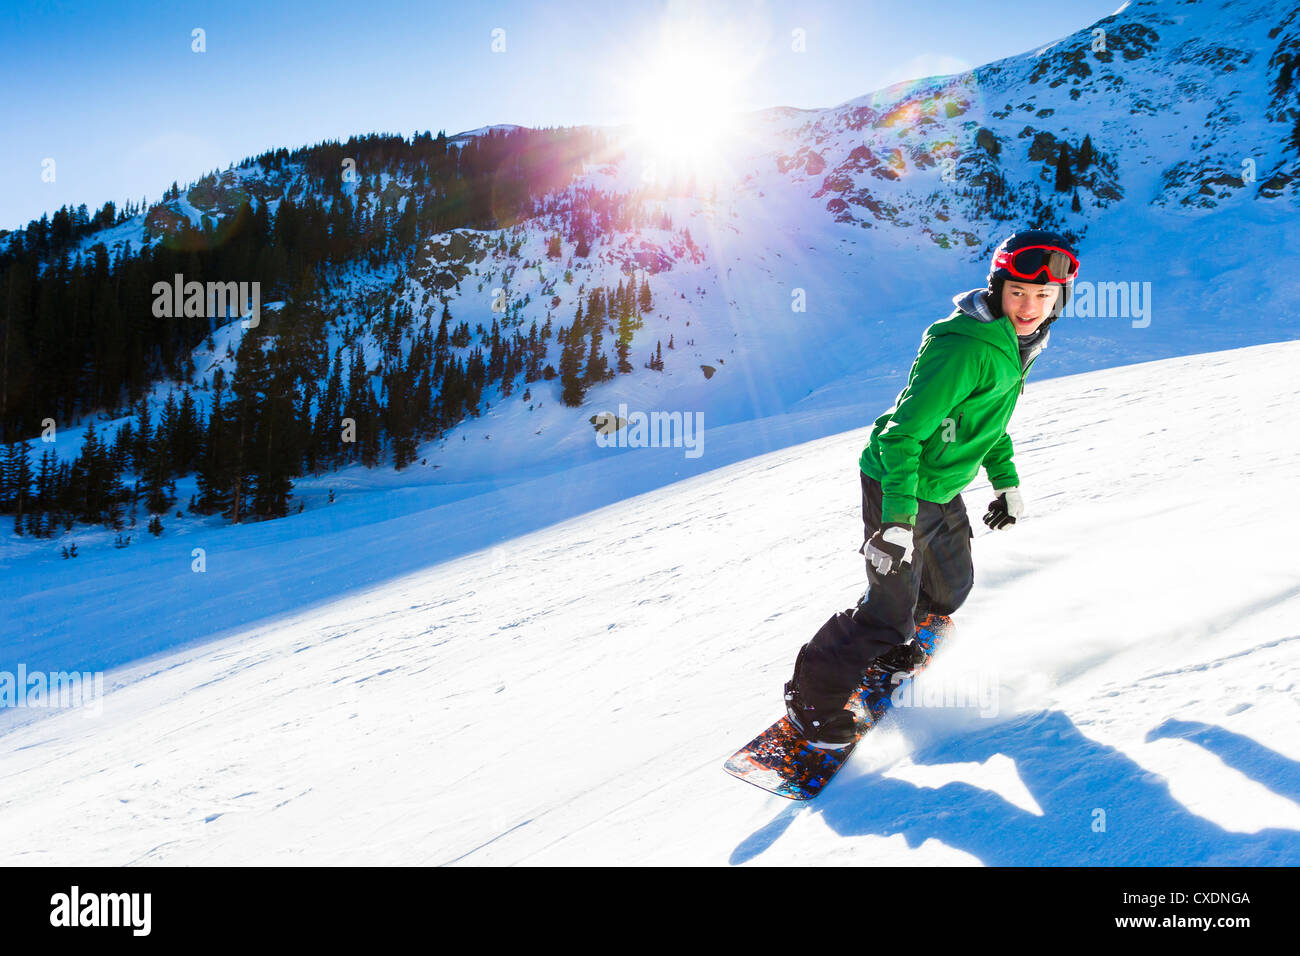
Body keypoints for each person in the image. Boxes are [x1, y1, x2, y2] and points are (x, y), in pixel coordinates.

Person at [784, 229, 1081, 747]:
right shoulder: (966, 348)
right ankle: (810, 701)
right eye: (1018, 293)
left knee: (948, 590)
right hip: (899, 480)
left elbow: (985, 422)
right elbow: (903, 435)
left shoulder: (1018, 342)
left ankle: (895, 645)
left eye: (1043, 296)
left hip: (941, 485)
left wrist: (1005, 483)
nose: (1030, 306)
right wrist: (895, 521)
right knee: (887, 612)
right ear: (997, 290)